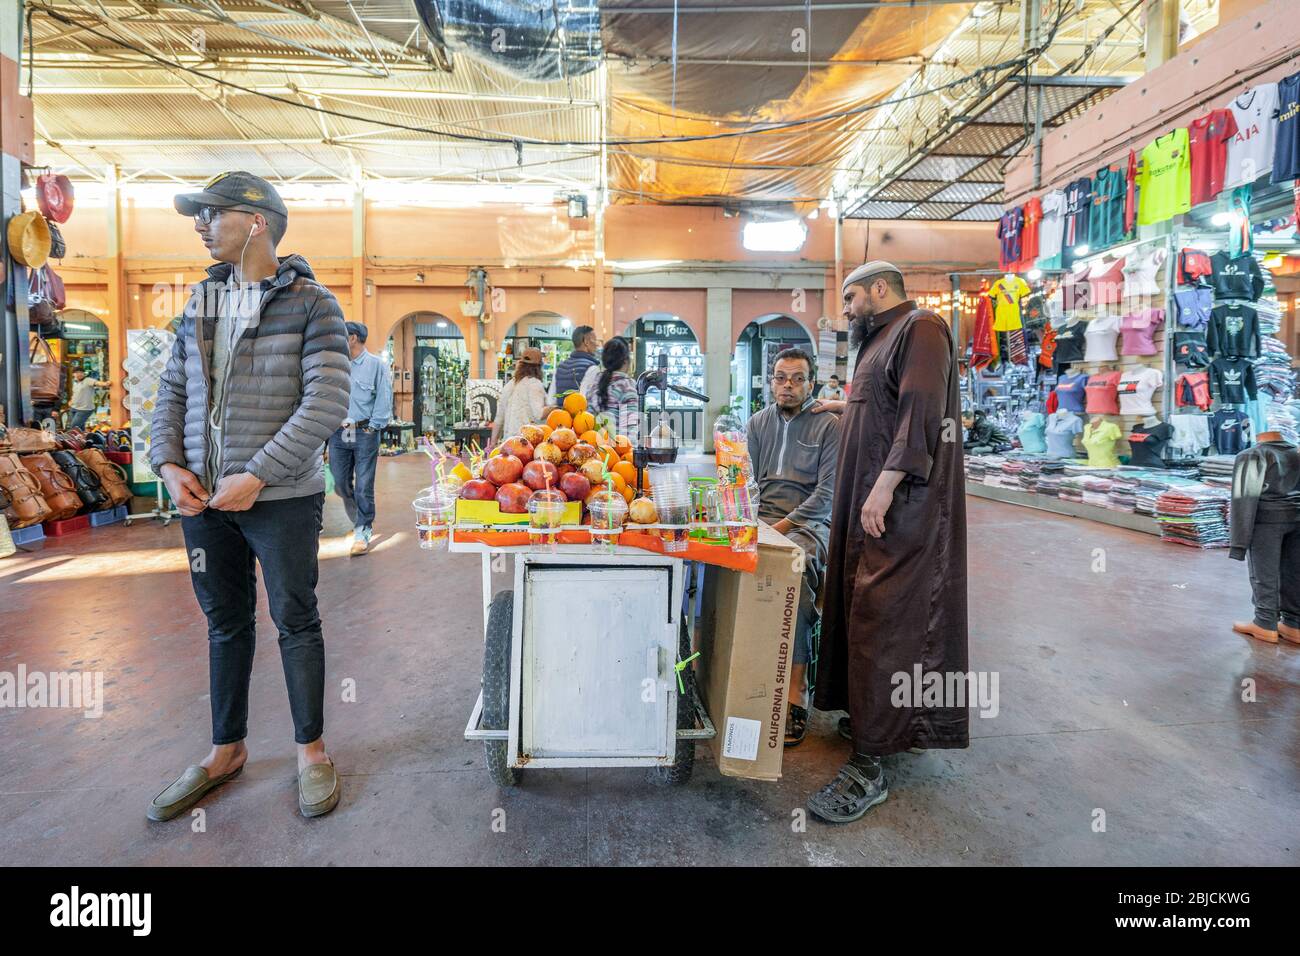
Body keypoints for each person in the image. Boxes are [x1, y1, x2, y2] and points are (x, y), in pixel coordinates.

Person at [148, 171, 351, 822]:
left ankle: (310, 751)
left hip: (282, 497)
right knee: (225, 623)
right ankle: (225, 749)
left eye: (213, 213)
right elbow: (172, 391)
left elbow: (326, 403)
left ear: (257, 220)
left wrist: (259, 474)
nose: (201, 225)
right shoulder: (200, 304)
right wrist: (168, 462)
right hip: (205, 499)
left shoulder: (312, 304)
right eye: (197, 216)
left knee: (295, 617)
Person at [807, 260, 968, 825]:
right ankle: (880, 716)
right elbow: (884, 407)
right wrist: (842, 408)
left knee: (885, 620)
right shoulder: (880, 340)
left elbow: (921, 412)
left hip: (898, 511)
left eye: (851, 298)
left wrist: (884, 487)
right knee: (859, 613)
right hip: (868, 509)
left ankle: (870, 764)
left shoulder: (921, 327)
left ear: (880, 289)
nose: (847, 310)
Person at [746, 347, 840, 746]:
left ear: (811, 383)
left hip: (809, 524)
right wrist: (748, 523)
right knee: (716, 562)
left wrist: (780, 529)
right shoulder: (757, 424)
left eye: (797, 378)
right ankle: (737, 676)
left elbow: (828, 492)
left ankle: (796, 692)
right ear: (770, 382)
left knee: (793, 572)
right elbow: (745, 483)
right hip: (760, 517)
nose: (787, 385)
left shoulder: (828, 426)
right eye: (780, 377)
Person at [329, 321, 393, 557]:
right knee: (339, 483)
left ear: (353, 338)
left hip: (364, 431)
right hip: (338, 432)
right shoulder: (336, 364)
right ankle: (358, 520)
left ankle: (362, 530)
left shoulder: (376, 365)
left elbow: (384, 397)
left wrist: (374, 427)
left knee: (364, 486)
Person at [581, 336, 640, 440]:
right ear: (626, 361)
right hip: (617, 452)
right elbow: (630, 430)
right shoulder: (626, 385)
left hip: (594, 448)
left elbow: (586, 421)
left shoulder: (595, 383)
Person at [493, 347, 546, 442]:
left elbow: (499, 418)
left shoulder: (509, 385)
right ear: (539, 367)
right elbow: (539, 414)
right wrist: (555, 407)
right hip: (526, 442)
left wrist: (492, 444)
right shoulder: (534, 384)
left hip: (508, 442)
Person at [549, 325, 600, 400]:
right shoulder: (592, 369)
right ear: (586, 342)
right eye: (595, 340)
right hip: (580, 411)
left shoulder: (559, 368)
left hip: (560, 411)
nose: (597, 344)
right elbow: (584, 400)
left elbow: (550, 400)